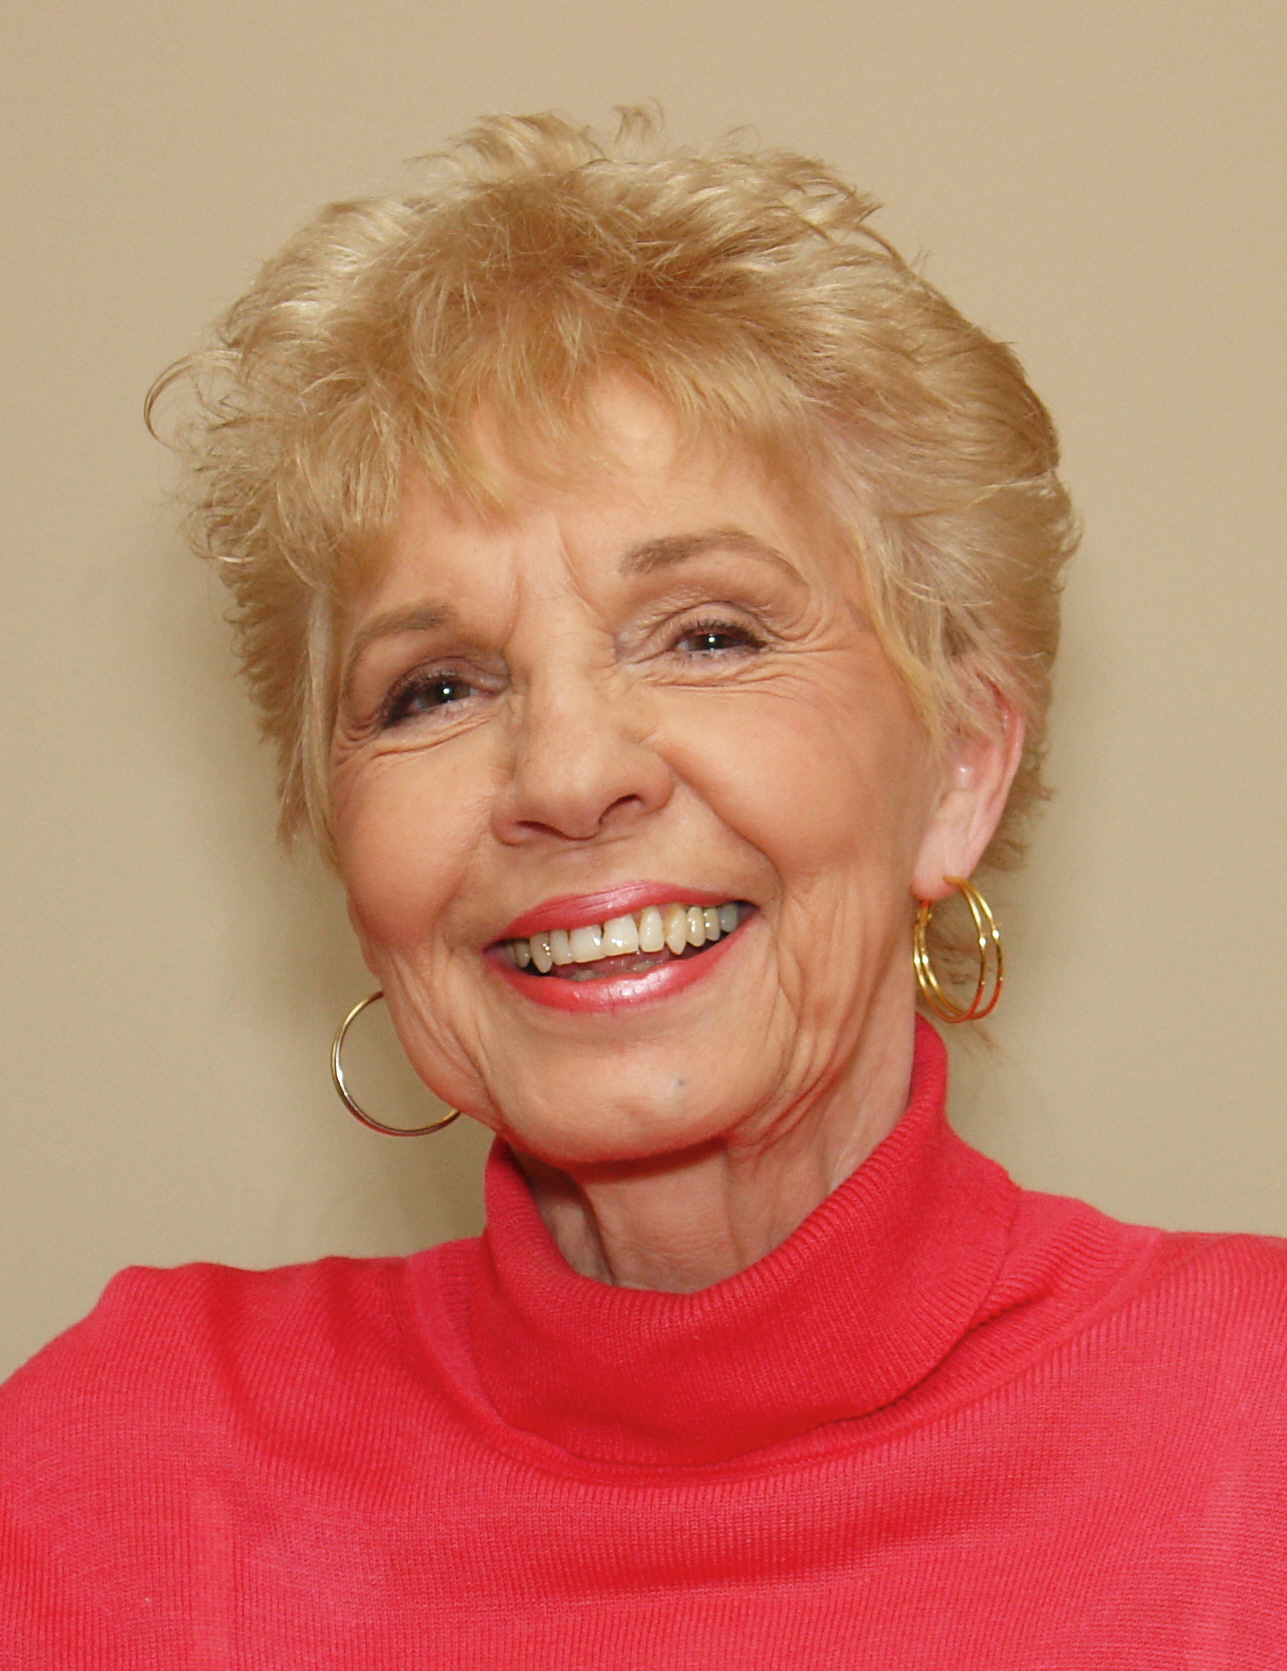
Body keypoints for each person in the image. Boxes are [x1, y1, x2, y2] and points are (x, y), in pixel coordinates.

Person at [2, 109, 1284, 1666]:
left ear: (958, 765)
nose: (564, 774)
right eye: (435, 688)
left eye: (707, 634)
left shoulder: (1252, 1431)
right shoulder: (122, 1468)